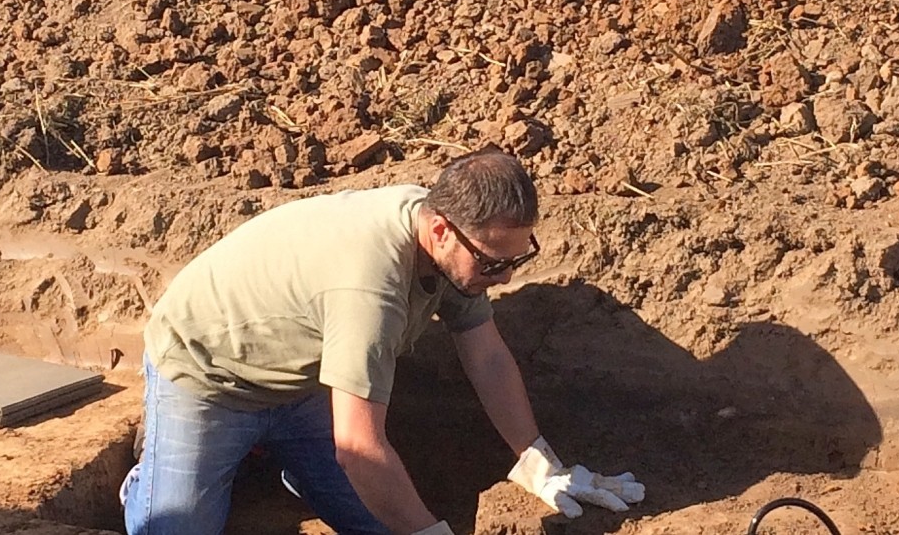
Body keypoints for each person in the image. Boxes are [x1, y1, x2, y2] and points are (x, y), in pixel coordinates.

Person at [120, 146, 645, 535]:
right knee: (176, 527)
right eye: (493, 263)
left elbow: (485, 356)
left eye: (516, 260)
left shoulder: (455, 244)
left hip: (300, 385)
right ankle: (152, 475)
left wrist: (539, 462)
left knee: (383, 523)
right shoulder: (370, 286)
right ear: (441, 231)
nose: (504, 277)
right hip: (209, 374)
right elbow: (357, 446)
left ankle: (286, 463)